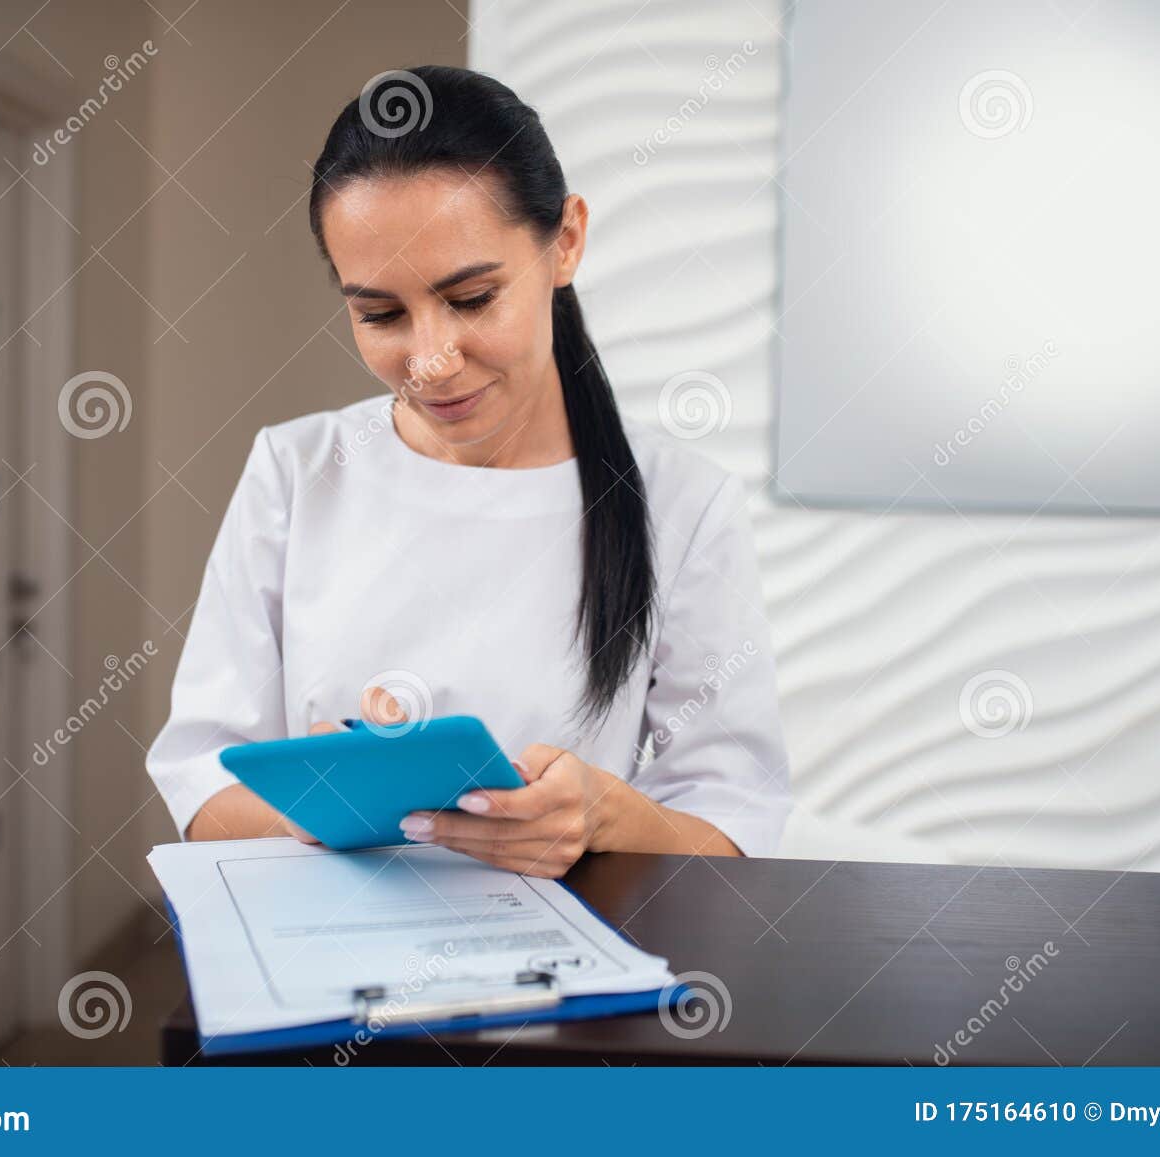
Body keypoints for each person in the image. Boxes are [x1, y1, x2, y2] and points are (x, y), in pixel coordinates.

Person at [144, 65, 790, 877]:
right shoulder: (295, 470)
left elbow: (736, 823)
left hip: (565, 978)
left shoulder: (681, 505)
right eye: (379, 314)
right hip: (338, 969)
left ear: (566, 241)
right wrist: (322, 798)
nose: (432, 361)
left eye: (474, 297)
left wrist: (600, 813)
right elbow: (200, 782)